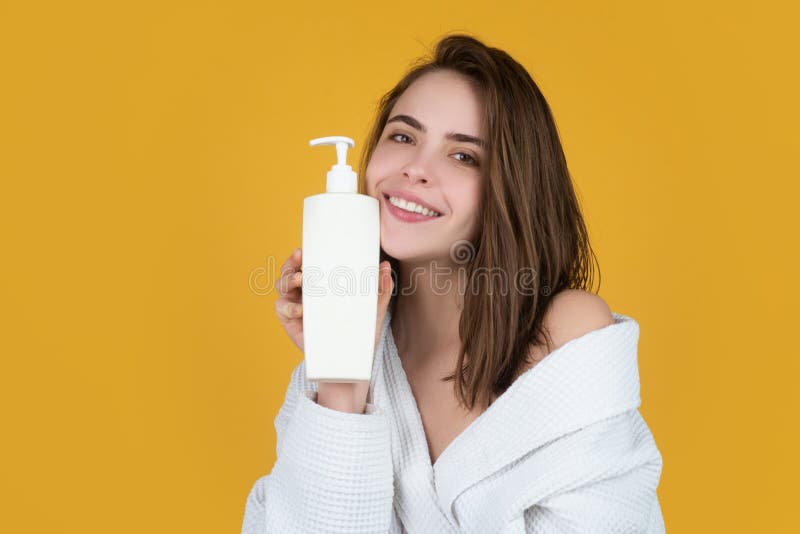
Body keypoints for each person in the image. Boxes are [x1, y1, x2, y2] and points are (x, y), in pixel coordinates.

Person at [242, 33, 665, 533]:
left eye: (463, 156)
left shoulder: (564, 338)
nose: (415, 169)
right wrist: (341, 386)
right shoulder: (344, 363)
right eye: (403, 136)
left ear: (510, 188)